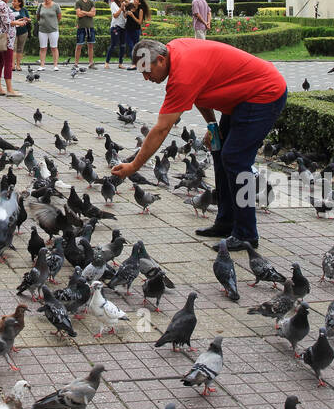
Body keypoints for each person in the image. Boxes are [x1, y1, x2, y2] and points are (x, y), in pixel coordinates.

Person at [111, 37, 287, 250]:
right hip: (243, 98)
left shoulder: (183, 76)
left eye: (147, 72)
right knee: (219, 150)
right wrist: (213, 126)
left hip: (263, 94)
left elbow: (161, 129)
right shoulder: (174, 51)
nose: (147, 78)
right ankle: (226, 222)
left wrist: (133, 166)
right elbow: (198, 93)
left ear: (160, 60)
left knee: (236, 160)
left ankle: (247, 234)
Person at [0, 0, 19, 95]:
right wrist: (19, 23)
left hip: (4, 36)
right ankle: (9, 89)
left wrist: (19, 20)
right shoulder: (1, 4)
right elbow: (6, 22)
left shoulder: (3, 5)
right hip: (6, 37)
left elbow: (8, 20)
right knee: (8, 62)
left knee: (0, 62)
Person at [37, 0, 62, 68]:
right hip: (42, 30)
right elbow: (38, 16)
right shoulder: (40, 5)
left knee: (54, 47)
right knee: (43, 48)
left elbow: (59, 17)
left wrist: (53, 23)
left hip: (53, 30)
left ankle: (55, 65)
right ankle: (42, 65)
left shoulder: (56, 6)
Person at [73, 0, 97, 68]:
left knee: (90, 45)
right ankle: (76, 63)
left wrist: (84, 12)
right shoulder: (78, 2)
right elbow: (78, 14)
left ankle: (91, 63)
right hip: (81, 26)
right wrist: (88, 13)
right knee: (79, 45)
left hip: (90, 26)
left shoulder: (91, 2)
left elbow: (93, 14)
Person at [123, 0, 151, 64]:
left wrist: (132, 15)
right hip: (128, 29)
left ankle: (136, 62)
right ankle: (134, 62)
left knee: (135, 47)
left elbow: (140, 22)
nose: (134, 0)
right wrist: (126, 13)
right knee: (130, 46)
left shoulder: (140, 10)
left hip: (136, 30)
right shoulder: (130, 6)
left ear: (139, 3)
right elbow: (125, 16)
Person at [105, 0, 128, 68]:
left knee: (122, 45)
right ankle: (107, 62)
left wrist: (125, 9)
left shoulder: (124, 4)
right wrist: (121, 8)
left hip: (123, 27)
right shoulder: (113, 4)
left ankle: (120, 63)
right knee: (113, 45)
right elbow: (115, 15)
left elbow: (125, 16)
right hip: (115, 26)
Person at [11, 0, 31, 70]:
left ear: (19, 3)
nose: (13, 2)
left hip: (23, 31)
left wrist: (26, 19)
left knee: (20, 48)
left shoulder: (24, 10)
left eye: (15, 1)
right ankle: (12, 65)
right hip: (13, 31)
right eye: (13, 1)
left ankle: (18, 65)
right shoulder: (10, 9)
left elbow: (29, 19)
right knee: (13, 48)